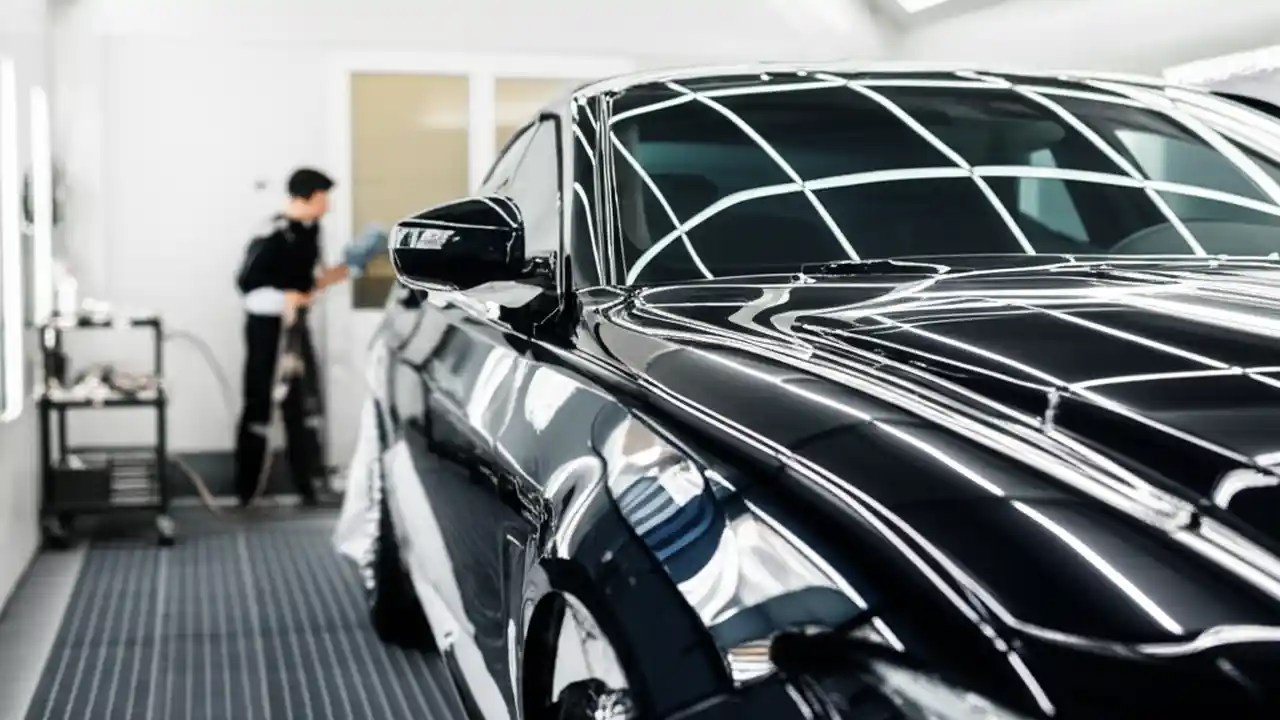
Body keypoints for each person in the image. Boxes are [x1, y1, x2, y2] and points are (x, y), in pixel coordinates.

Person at [233, 168, 385, 506]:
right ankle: (247, 490)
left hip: (296, 330)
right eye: (323, 198)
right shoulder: (272, 233)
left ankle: (308, 487)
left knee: (301, 405)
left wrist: (350, 267)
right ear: (306, 197)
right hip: (267, 331)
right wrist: (285, 298)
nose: (327, 206)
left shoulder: (311, 231)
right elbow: (247, 285)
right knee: (259, 404)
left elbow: (311, 281)